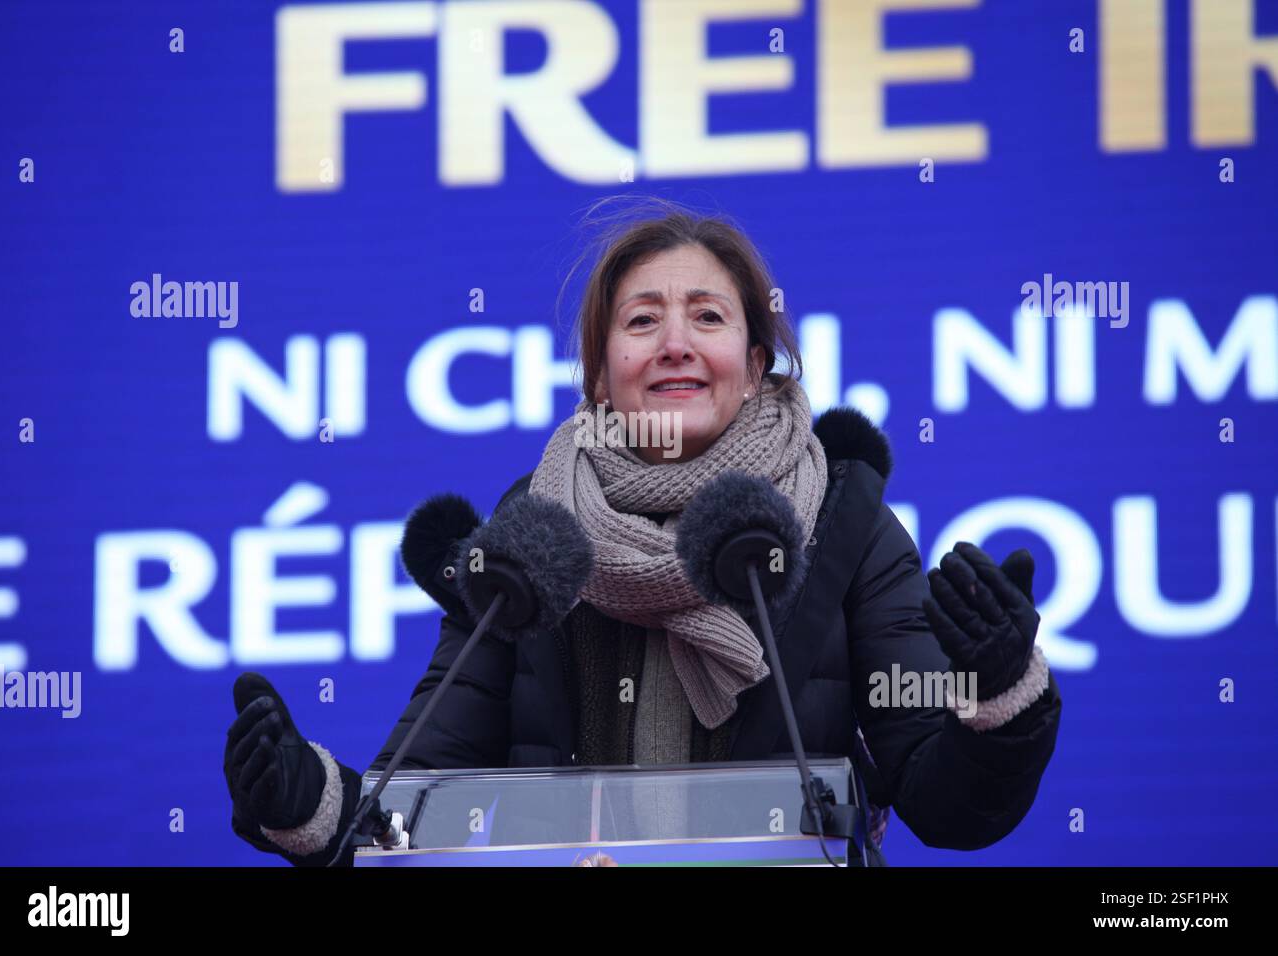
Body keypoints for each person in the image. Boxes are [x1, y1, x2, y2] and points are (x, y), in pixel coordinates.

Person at [224, 199, 1061, 866]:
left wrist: (998, 691)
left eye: (708, 317)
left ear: (755, 363)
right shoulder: (532, 538)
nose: (675, 345)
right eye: (641, 322)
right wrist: (305, 803)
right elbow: (409, 805)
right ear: (599, 374)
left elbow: (947, 807)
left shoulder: (843, 524)